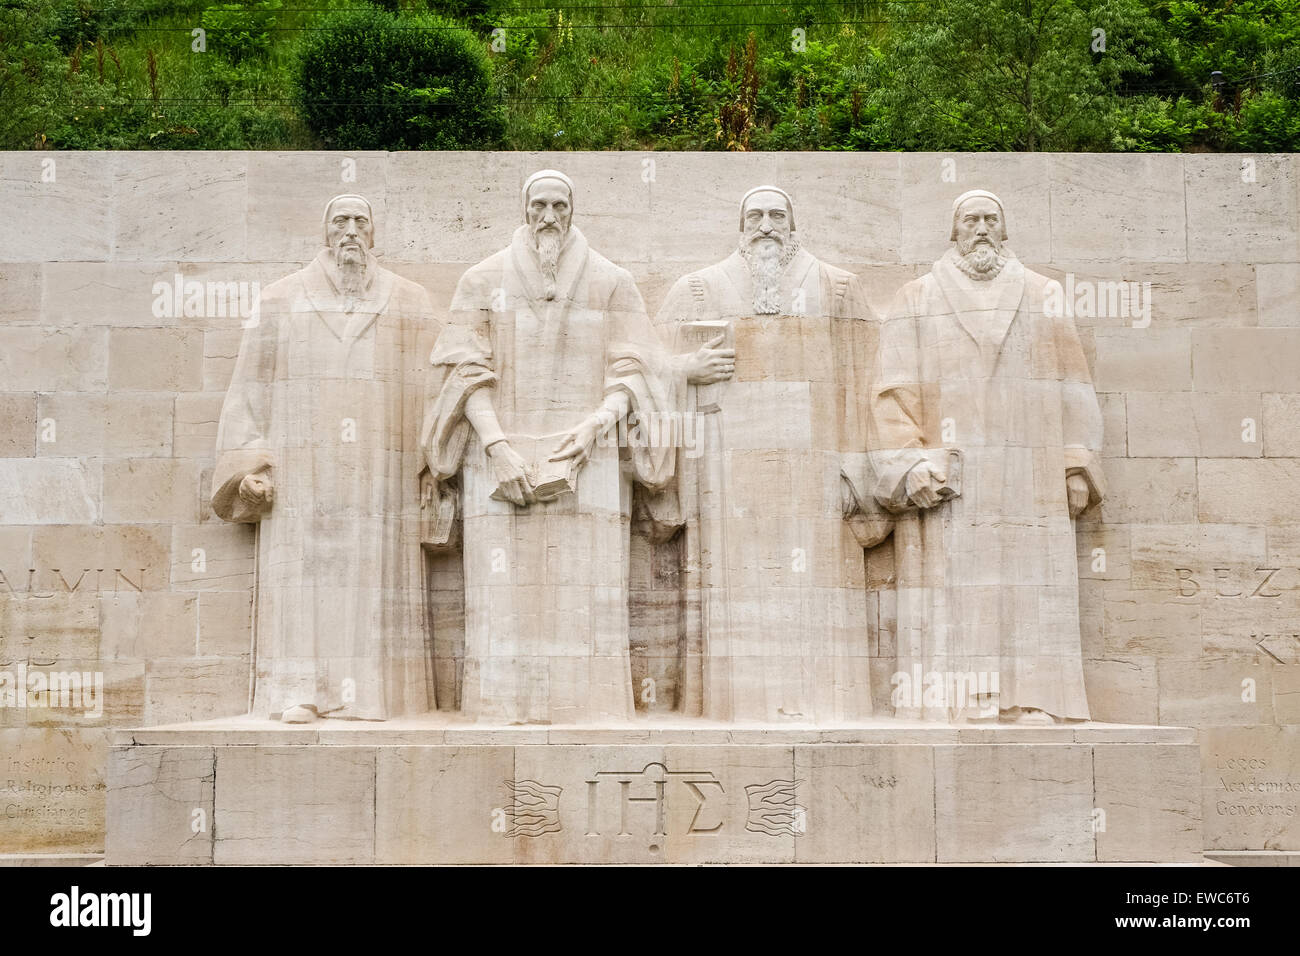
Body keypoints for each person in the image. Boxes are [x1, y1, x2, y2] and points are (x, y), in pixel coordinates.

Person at [421, 170, 678, 724]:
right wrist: (496, 446)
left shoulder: (612, 281)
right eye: (538, 204)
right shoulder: (482, 278)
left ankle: (588, 711)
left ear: (573, 210)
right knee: (502, 602)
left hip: (592, 459)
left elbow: (637, 370)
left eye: (559, 204)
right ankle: (500, 712)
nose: (548, 216)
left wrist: (592, 430)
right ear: (524, 210)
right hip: (496, 463)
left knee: (587, 602)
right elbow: (464, 371)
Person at [869, 189, 1105, 723]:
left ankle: (1037, 698)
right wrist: (910, 464)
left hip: (1031, 471)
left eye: (990, 219)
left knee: (1034, 584)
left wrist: (1075, 465)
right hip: (953, 474)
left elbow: (1074, 384)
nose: (981, 228)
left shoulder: (1044, 294)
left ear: (1005, 230)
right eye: (970, 219)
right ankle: (958, 700)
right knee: (954, 582)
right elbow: (891, 391)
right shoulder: (918, 297)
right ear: (953, 232)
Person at [211, 195, 438, 722]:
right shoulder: (279, 300)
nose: (351, 231)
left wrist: (435, 470)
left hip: (380, 476)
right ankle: (298, 689)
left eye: (362, 221)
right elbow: (249, 391)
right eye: (341, 221)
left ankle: (371, 692)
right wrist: (250, 469)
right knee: (302, 576)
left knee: (371, 574)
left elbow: (440, 386)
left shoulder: (409, 300)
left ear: (375, 234)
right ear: (325, 233)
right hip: (301, 474)